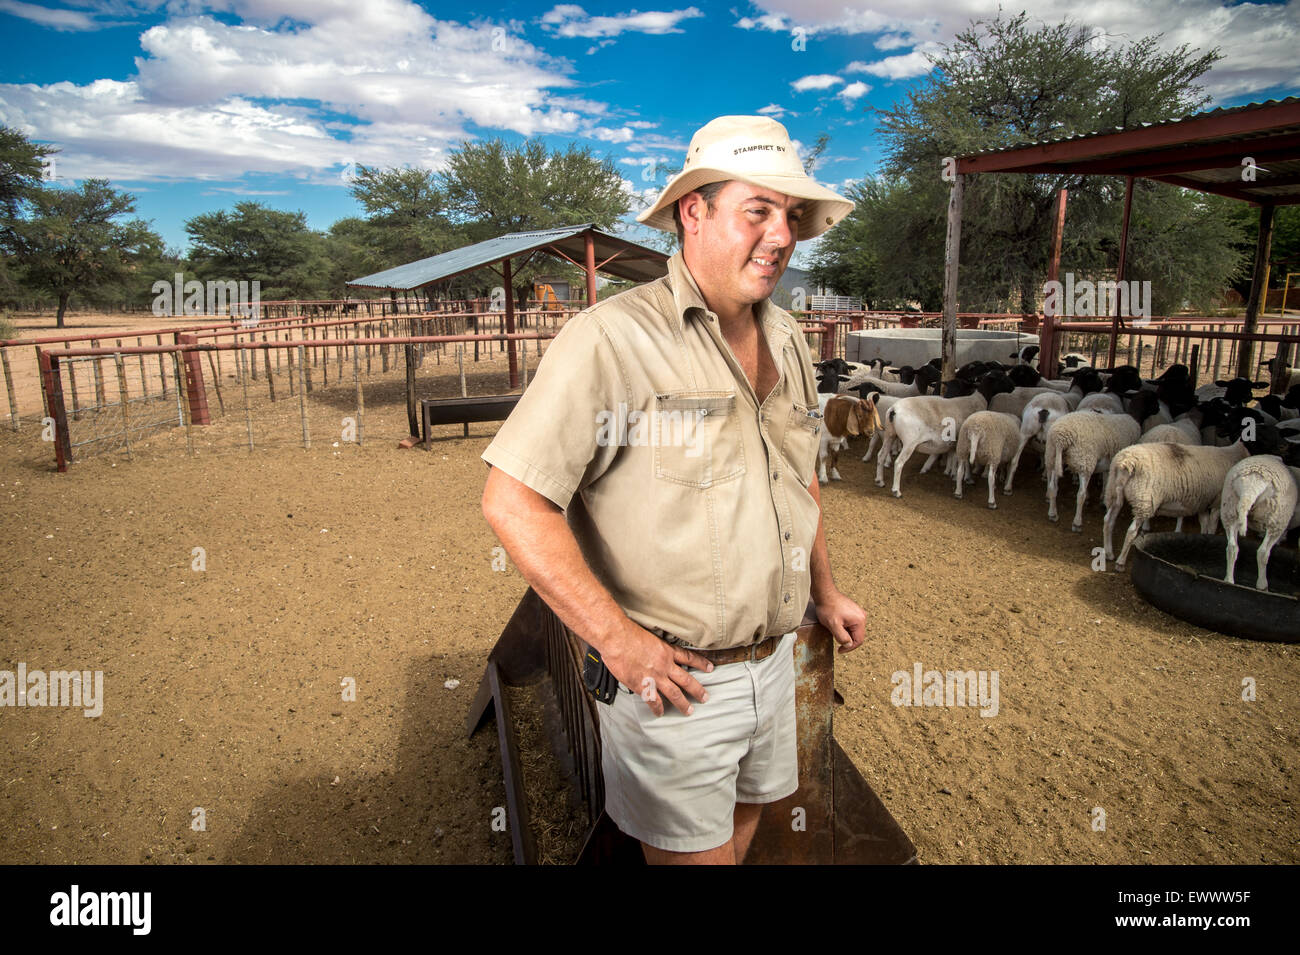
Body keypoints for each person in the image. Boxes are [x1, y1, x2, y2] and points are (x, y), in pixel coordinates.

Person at [480, 115, 867, 865]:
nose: (782, 234)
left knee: (749, 816)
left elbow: (798, 474)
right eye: (758, 209)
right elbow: (513, 499)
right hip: (678, 685)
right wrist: (618, 642)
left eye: (791, 215)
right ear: (694, 211)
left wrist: (824, 590)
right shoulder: (610, 340)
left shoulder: (787, 338)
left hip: (776, 660)